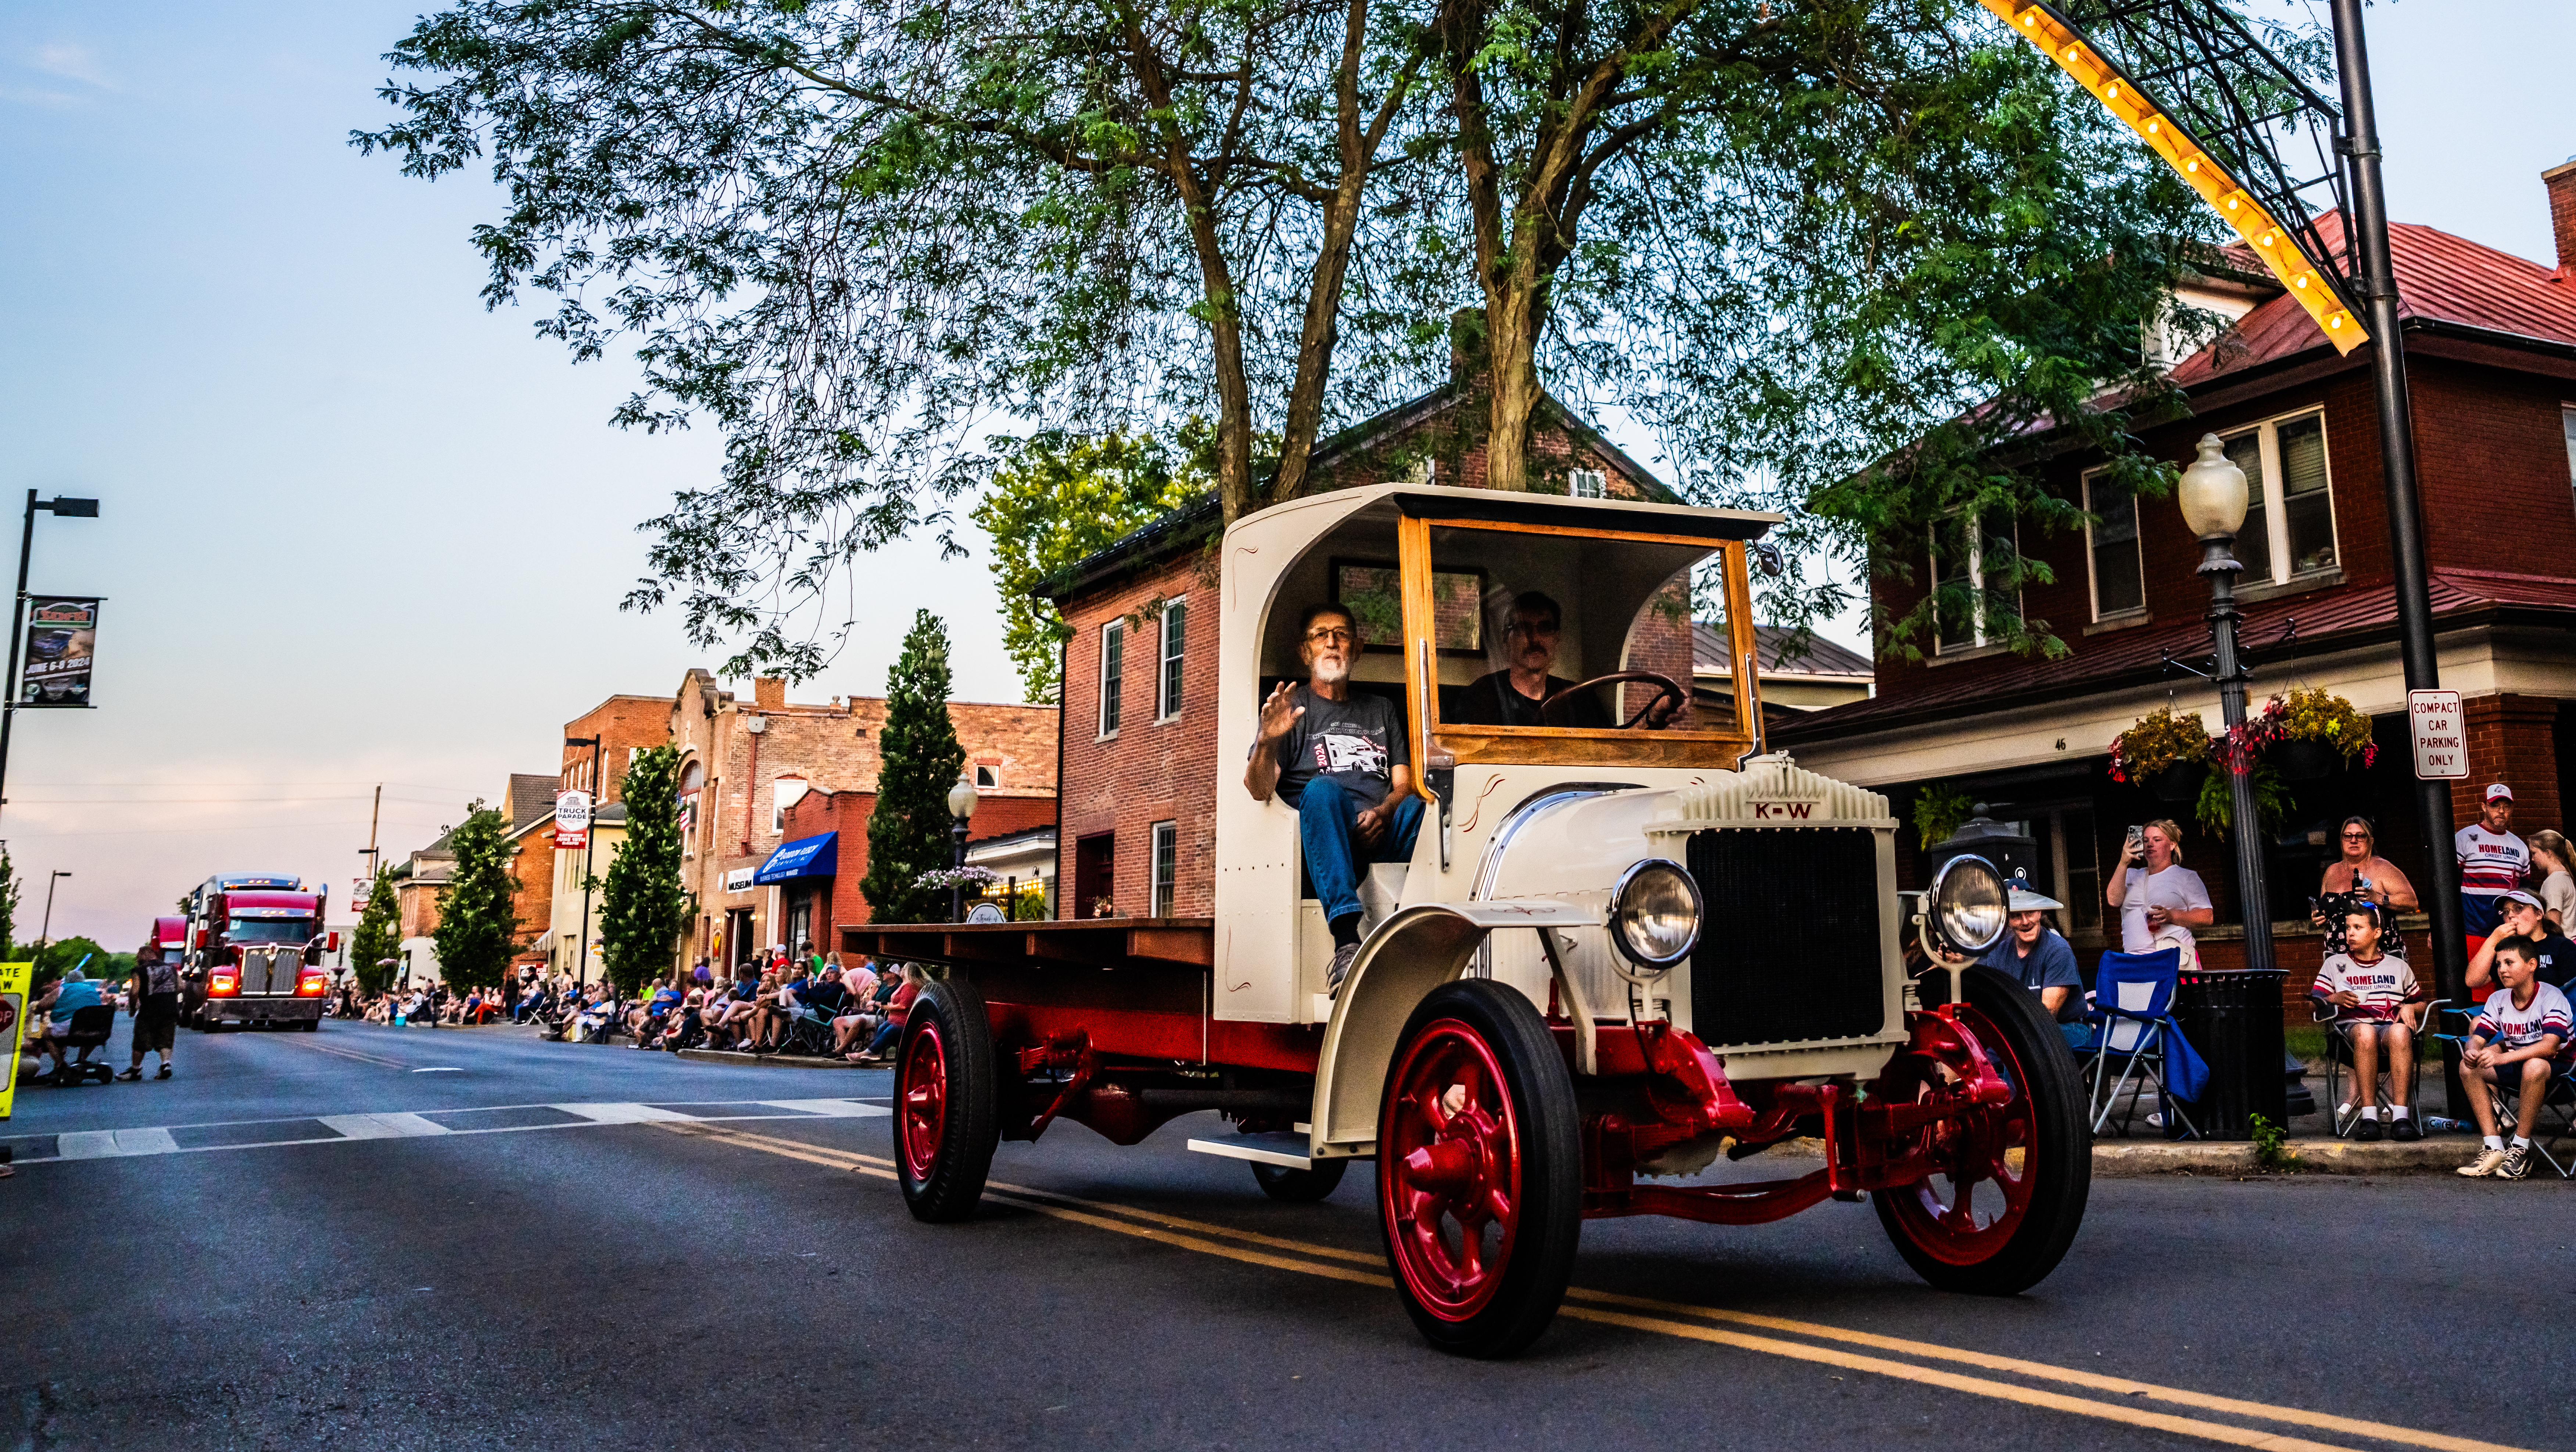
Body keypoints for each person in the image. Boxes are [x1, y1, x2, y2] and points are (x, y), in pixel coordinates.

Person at [1246, 602, 1423, 990]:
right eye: (1320, 635)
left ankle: (1431, 929)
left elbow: (1404, 784)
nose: (1331, 643)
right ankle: (1346, 943)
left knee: (1422, 805)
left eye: (1341, 635)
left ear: (1356, 648)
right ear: (1304, 651)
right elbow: (1259, 788)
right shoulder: (1291, 711)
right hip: (1327, 838)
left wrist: (1383, 812)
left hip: (1382, 829)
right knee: (1322, 789)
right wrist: (1268, 740)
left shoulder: (1381, 709)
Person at [1452, 591, 1676, 731]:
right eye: (1522, 628)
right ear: (1505, 639)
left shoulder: (1580, 697)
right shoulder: (1482, 696)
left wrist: (1654, 715)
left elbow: (1614, 752)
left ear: (1557, 638)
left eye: (1545, 628)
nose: (1535, 638)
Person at [2453, 935, 2570, 1180]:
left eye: (2509, 962)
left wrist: (2502, 1059)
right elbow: (2479, 1034)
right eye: (2498, 964)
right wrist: (2473, 1048)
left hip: (2562, 1074)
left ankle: (2520, 1148)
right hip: (2520, 1068)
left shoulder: (2552, 996)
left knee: (2534, 1065)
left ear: (2531, 965)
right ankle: (2493, 1147)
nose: (2502, 969)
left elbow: (2549, 1047)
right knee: (2467, 1067)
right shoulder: (2498, 999)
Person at [2309, 903, 2426, 1141]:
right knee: (2365, 1032)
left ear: (2376, 933)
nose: (2350, 933)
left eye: (2357, 927)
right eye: (2348, 927)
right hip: (2350, 1034)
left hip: (2388, 1029)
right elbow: (2313, 1004)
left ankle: (2401, 1117)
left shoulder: (2398, 966)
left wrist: (2409, 1006)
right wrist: (2334, 998)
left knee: (2401, 1032)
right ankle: (2369, 1117)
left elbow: (2421, 1003)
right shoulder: (2335, 964)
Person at [1977, 881, 2085, 1048]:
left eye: (2031, 912)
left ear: (2040, 911)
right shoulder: (1999, 952)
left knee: (2021, 1044)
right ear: (2006, 919)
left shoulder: (2058, 949)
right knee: (1966, 1051)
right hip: (2019, 1031)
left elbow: (2047, 1015)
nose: (2026, 921)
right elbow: (1992, 1005)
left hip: (2069, 1028)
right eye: (2016, 915)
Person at [2105, 820, 2213, 968]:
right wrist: (2124, 862)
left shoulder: (2187, 877)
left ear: (2172, 845)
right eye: (2146, 840)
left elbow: (2207, 917)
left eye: (2157, 840)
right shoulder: (2130, 874)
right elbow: (2113, 900)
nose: (2150, 844)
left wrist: (2172, 916)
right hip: (2134, 961)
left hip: (2171, 960)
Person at [2310, 815, 2418, 957]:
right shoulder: (2331, 872)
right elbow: (2332, 915)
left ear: (2371, 841)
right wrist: (2320, 918)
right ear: (2341, 841)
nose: (2353, 840)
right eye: (2348, 836)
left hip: (2380, 960)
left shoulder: (2383, 868)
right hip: (2339, 961)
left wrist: (2378, 898)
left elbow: (2412, 902)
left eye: (2360, 836)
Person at [2464, 889, 2576, 994]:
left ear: (2538, 914)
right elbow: (2473, 981)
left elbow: (2571, 993)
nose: (2510, 916)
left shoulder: (2562, 946)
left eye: (2519, 909)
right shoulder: (2505, 947)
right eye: (2506, 912)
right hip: (2510, 1011)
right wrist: (2493, 940)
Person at [2455, 783, 2529, 940]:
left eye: (2506, 806)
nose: (2501, 811)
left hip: (2510, 933)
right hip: (2472, 932)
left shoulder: (2520, 846)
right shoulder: (2463, 838)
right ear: (2484, 807)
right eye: (2495, 805)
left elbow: (2526, 893)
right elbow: (2448, 886)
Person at [119, 945, 181, 1082]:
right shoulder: (171, 968)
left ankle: (136, 1071)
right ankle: (166, 1065)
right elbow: (182, 986)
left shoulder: (139, 970)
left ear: (141, 956)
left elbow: (135, 991)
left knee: (140, 1041)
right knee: (166, 1039)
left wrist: (133, 1008)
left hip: (149, 1011)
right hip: (170, 1010)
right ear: (155, 954)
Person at [2526, 829, 2574, 932]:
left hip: (2561, 945)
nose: (2533, 859)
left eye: (2534, 853)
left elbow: (2554, 925)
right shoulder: (2567, 877)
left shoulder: (2554, 882)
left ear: (2548, 853)